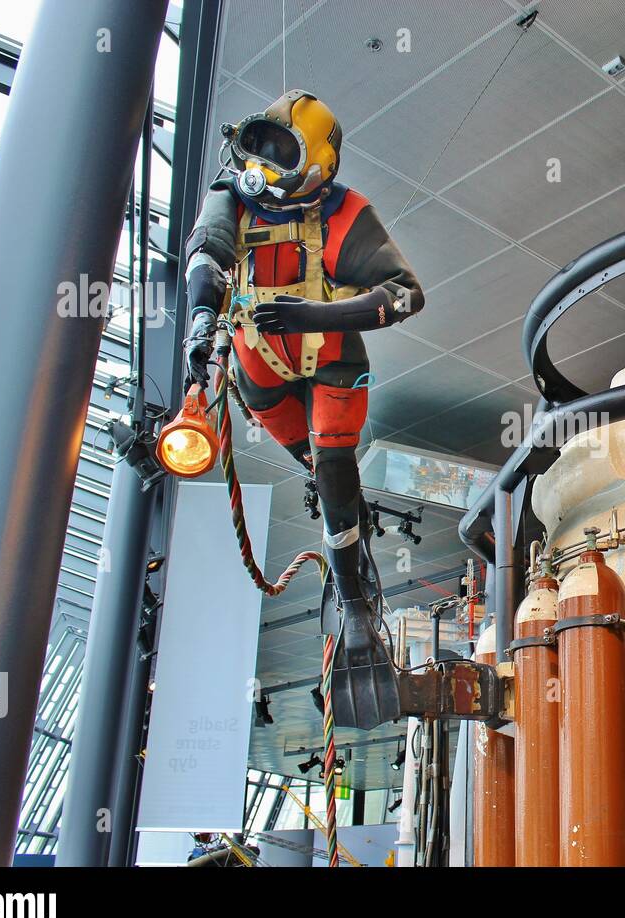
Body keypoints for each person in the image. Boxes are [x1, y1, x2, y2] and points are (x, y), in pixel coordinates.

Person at [182, 90, 423, 728]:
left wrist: (315, 315)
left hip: (334, 360)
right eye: (257, 143)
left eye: (279, 150)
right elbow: (207, 255)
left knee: (334, 464)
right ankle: (347, 532)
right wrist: (202, 326)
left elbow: (404, 296)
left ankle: (355, 603)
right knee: (318, 471)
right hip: (260, 370)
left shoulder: (345, 214)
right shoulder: (229, 199)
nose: (259, 163)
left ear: (313, 165)